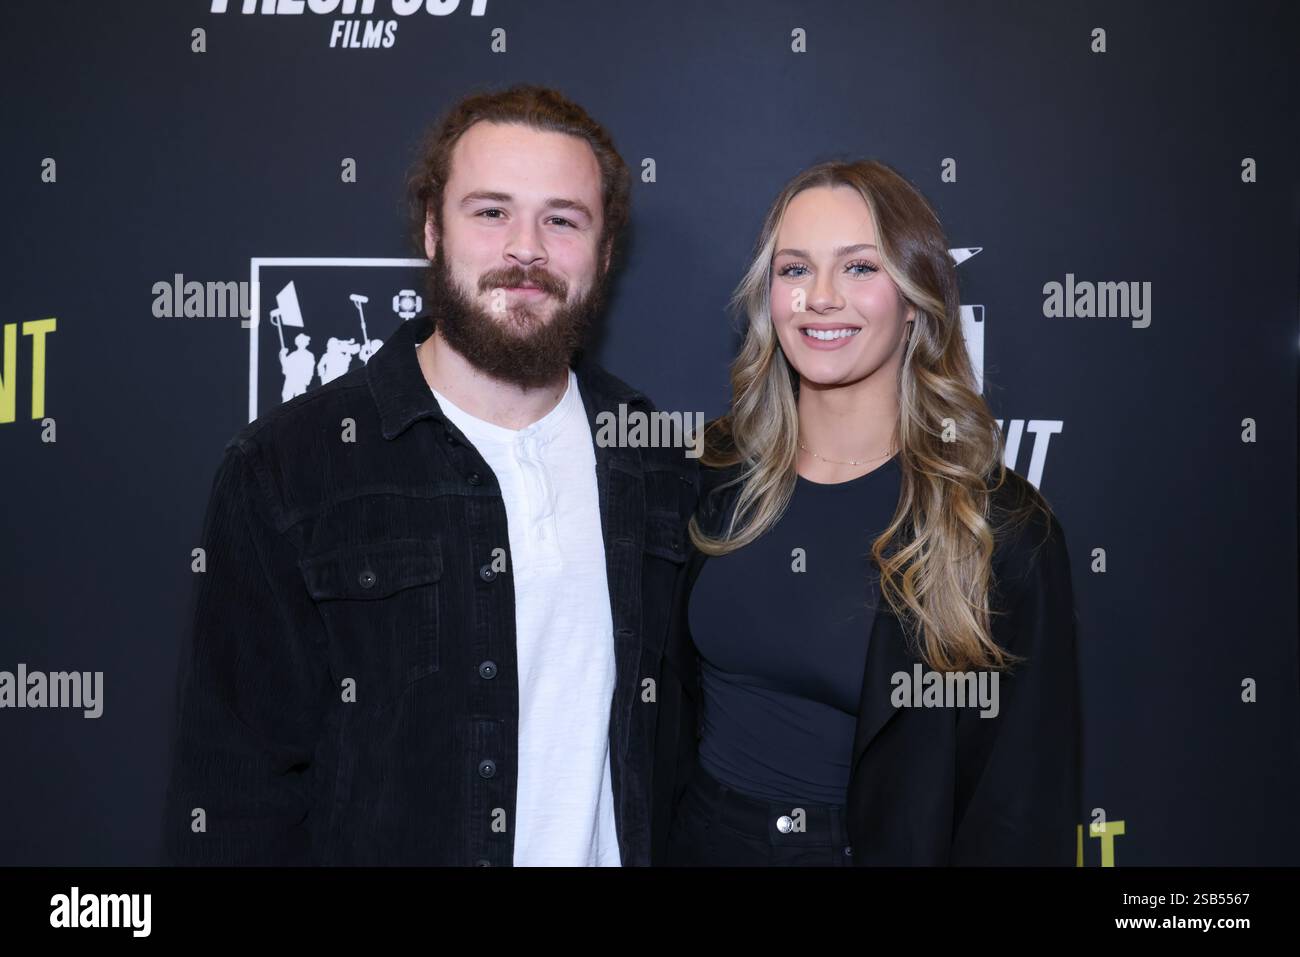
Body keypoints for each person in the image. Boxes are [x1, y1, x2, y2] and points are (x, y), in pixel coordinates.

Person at [163, 84, 697, 866]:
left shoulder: (656, 461)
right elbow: (233, 794)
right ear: (430, 230)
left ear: (605, 250)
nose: (526, 248)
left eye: (562, 218)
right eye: (491, 212)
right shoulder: (290, 468)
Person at [652, 159, 1081, 866]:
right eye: (794, 270)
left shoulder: (998, 527)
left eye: (858, 268)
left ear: (916, 299)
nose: (820, 298)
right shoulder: (712, 473)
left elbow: (1019, 807)